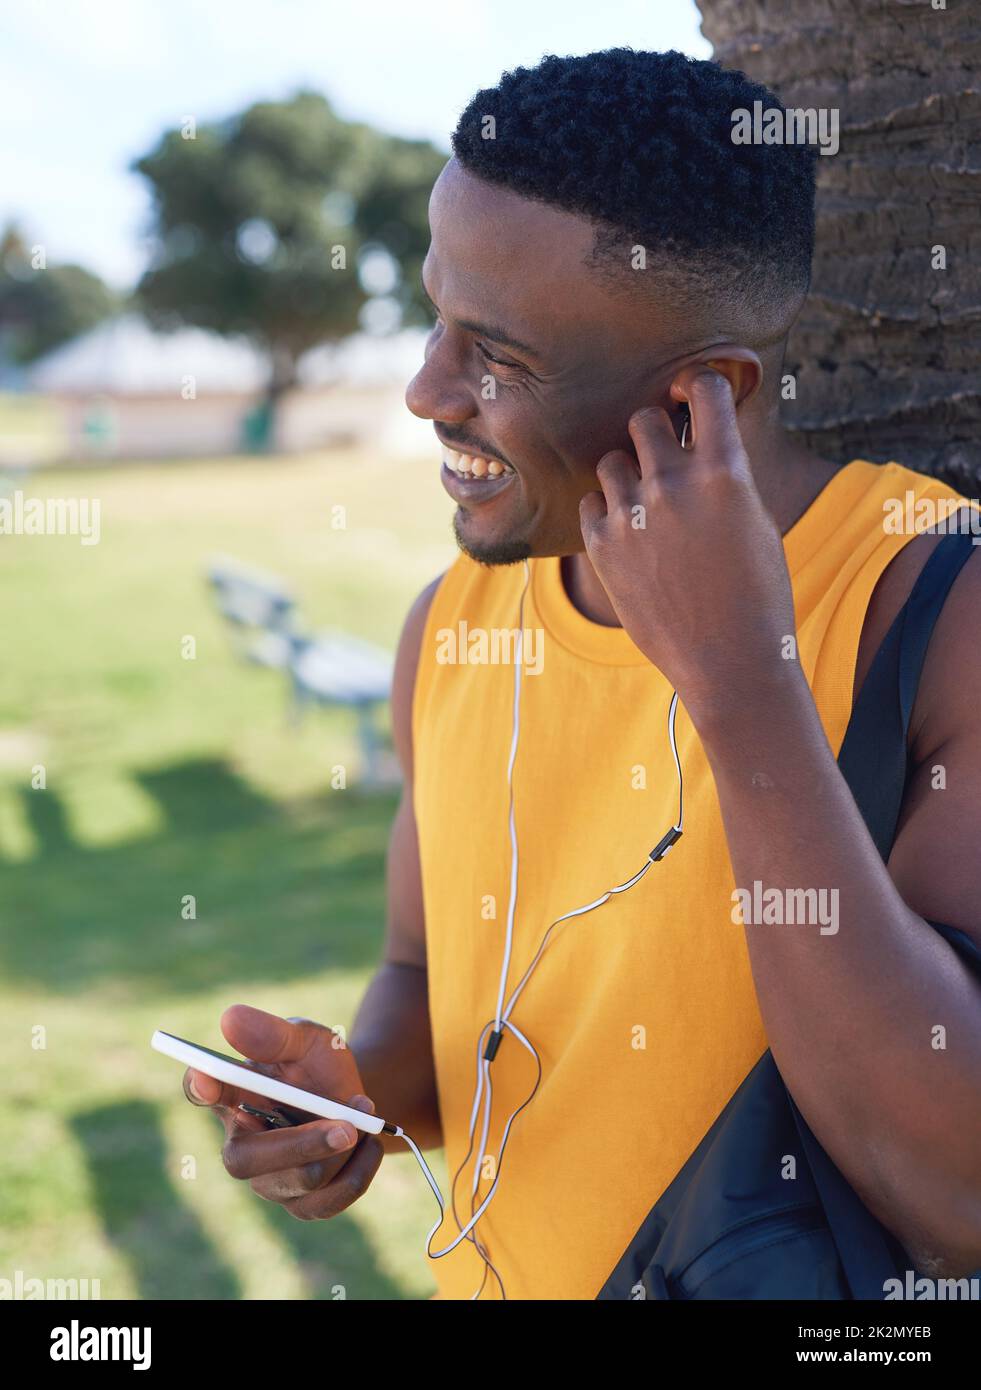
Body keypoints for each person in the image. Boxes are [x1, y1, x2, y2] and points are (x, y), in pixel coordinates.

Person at [183, 49, 981, 1300]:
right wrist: (353, 1100)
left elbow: (960, 1182)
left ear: (700, 395)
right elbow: (420, 975)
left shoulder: (937, 611)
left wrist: (738, 686)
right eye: (434, 314)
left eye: (496, 356)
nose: (425, 391)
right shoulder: (453, 623)